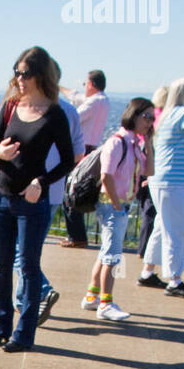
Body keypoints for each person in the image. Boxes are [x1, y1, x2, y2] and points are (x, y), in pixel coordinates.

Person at [0, 47, 75, 352]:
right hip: (2, 198)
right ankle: (1, 327)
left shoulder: (54, 114)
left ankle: (23, 335)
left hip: (33, 202)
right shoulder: (11, 107)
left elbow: (68, 161)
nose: (19, 79)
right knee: (1, 266)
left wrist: (41, 181)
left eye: (26, 73)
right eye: (17, 72)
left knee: (29, 267)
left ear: (40, 75)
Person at [13, 61, 85, 327]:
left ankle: (39, 292)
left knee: (21, 253)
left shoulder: (26, 107)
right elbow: (78, 154)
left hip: (27, 189)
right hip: (54, 190)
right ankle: (23, 303)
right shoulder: (69, 111)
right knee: (28, 251)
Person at [80, 98, 155, 322]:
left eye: (153, 118)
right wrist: (115, 204)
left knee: (106, 253)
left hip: (119, 204)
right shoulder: (118, 142)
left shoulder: (133, 143)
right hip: (112, 204)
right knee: (113, 256)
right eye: (147, 116)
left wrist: (148, 143)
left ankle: (92, 296)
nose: (150, 122)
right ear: (134, 114)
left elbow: (148, 171)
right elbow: (106, 175)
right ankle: (106, 303)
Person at [138, 78, 184, 298]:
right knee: (177, 232)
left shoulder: (170, 116)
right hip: (174, 184)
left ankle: (148, 272)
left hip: (169, 182)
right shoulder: (179, 114)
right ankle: (175, 280)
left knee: (163, 227)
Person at [60, 70, 110, 247]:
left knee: (72, 189)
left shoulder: (95, 102)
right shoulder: (103, 100)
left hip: (83, 149)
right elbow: (76, 97)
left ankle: (77, 236)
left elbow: (73, 116)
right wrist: (58, 87)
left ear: (90, 84)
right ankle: (77, 235)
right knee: (77, 189)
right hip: (91, 148)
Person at [137, 85, 167, 257]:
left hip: (143, 164)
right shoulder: (163, 119)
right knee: (150, 211)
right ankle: (146, 249)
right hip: (153, 164)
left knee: (147, 209)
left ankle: (144, 248)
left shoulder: (149, 117)